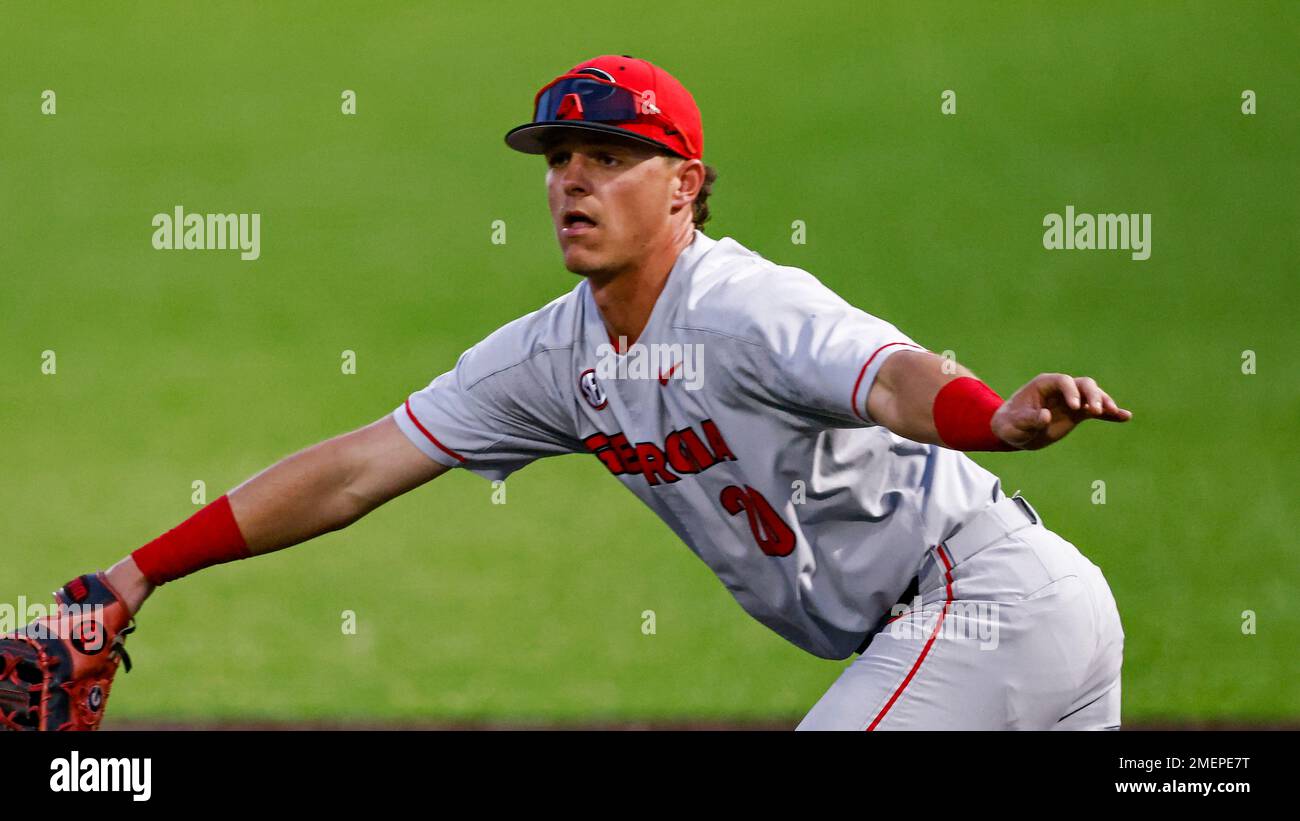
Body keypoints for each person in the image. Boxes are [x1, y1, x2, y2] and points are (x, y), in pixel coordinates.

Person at [2, 55, 1131, 731]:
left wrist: (997, 417)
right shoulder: (552, 358)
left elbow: (889, 379)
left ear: (685, 184)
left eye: (606, 153)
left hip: (979, 603)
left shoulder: (746, 306)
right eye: (557, 158)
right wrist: (132, 574)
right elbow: (355, 470)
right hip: (981, 626)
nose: (571, 178)